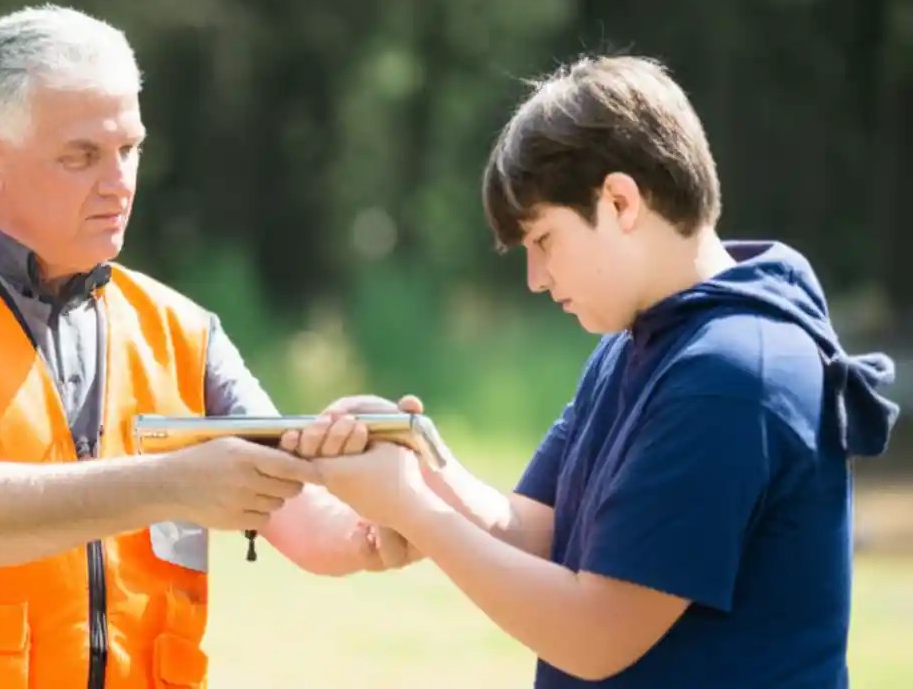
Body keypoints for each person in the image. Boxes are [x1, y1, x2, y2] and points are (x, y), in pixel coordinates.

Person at [0, 4, 414, 689]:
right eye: (82, 156)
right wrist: (172, 483)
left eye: (130, 149)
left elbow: (304, 523)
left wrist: (383, 529)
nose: (120, 181)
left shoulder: (183, 329)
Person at [289, 55, 900, 687]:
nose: (535, 278)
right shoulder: (638, 341)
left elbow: (594, 635)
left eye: (544, 241)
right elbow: (536, 531)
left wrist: (414, 511)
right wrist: (419, 459)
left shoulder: (734, 375)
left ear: (620, 200)